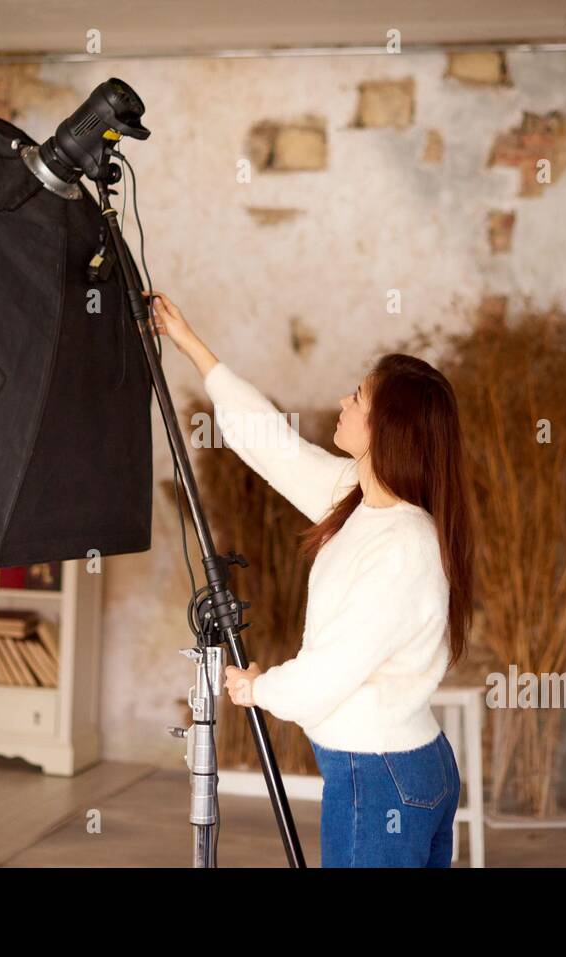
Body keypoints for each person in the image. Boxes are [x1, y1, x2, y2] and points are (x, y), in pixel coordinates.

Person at [146, 289, 475, 868]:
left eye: (357, 397)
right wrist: (191, 344)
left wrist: (259, 689)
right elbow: (272, 446)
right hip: (395, 766)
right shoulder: (359, 500)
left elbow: (334, 667)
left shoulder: (403, 546)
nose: (340, 402)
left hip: (381, 777)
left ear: (385, 429)